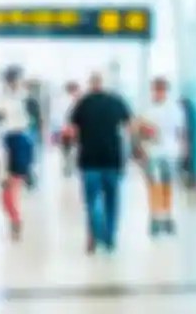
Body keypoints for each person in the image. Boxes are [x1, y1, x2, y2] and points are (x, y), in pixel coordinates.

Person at [67, 71, 132, 254]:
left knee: (92, 201)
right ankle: (110, 238)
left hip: (89, 160)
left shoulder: (82, 103)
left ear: (91, 84)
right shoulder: (117, 101)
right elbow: (129, 127)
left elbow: (72, 131)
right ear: (103, 84)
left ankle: (94, 235)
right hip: (112, 159)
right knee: (112, 201)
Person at [0, 65, 34, 240]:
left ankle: (16, 219)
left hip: (20, 140)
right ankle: (14, 217)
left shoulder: (25, 97)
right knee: (5, 189)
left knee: (14, 184)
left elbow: (31, 120)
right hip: (3, 142)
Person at [139, 77, 186, 236]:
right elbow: (142, 132)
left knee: (167, 186)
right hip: (153, 153)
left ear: (165, 91)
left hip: (171, 153)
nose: (157, 93)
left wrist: (183, 149)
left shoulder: (175, 110)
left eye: (160, 90)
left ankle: (166, 216)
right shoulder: (148, 111)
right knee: (154, 186)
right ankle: (155, 217)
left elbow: (180, 132)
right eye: (155, 90)